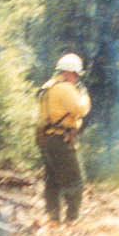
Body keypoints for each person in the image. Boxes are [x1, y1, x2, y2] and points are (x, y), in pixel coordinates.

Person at [36, 52, 91, 223]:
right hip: (61, 140)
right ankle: (72, 221)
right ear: (68, 72)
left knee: (52, 181)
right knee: (75, 182)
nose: (76, 78)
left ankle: (52, 219)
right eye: (75, 74)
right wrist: (84, 95)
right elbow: (80, 110)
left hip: (46, 139)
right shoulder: (65, 88)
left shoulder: (49, 86)